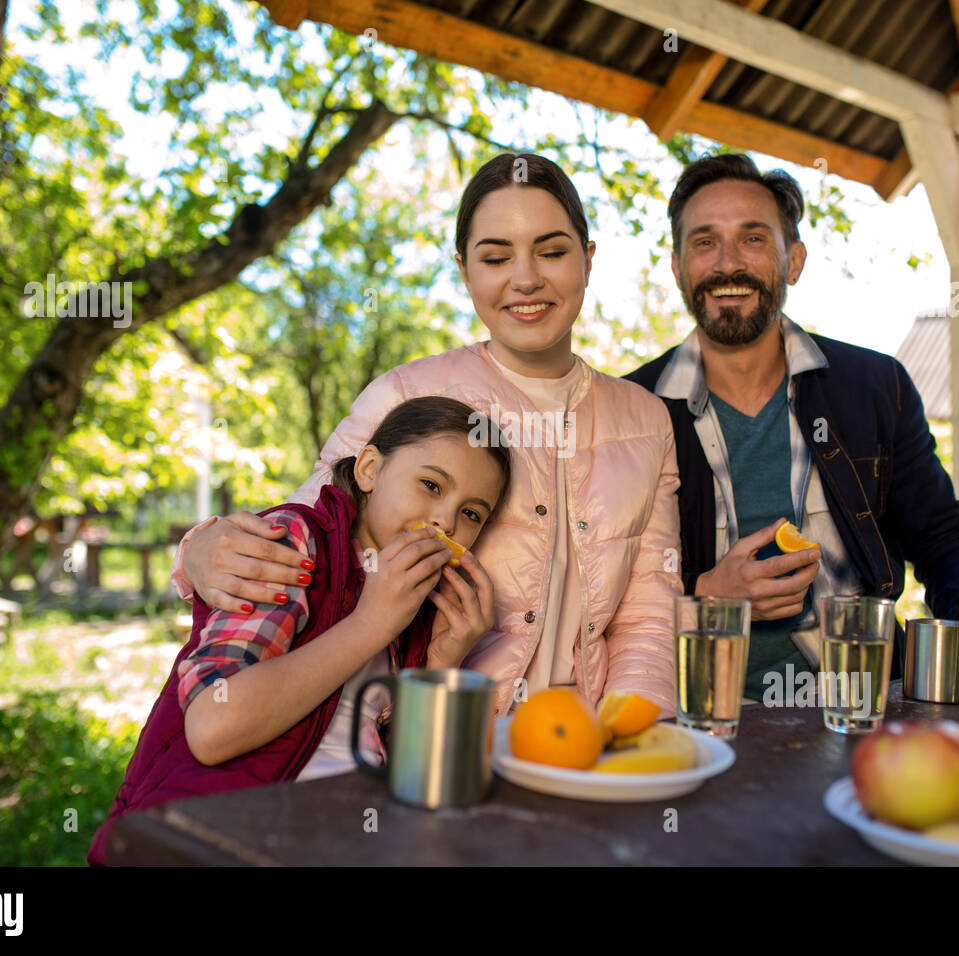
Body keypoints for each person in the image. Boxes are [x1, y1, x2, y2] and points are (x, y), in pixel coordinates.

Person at [167, 152, 682, 721]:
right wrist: (198, 549)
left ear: (587, 259)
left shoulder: (646, 419)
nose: (526, 277)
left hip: (579, 748)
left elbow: (648, 616)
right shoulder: (405, 392)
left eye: (553, 251)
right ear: (465, 271)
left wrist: (634, 735)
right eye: (495, 257)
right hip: (438, 746)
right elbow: (313, 535)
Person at [624, 152, 959, 699]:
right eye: (704, 241)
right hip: (698, 712)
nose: (728, 263)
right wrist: (703, 594)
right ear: (677, 267)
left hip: (867, 706)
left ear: (794, 262)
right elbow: (601, 590)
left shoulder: (875, 386)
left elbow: (945, 538)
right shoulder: (630, 407)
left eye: (754, 239)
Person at [87, 397, 509, 865]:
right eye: (431, 484)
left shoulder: (420, 614)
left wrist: (444, 660)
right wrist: (371, 624)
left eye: (472, 513)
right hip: (212, 840)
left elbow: (413, 785)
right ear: (369, 469)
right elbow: (213, 725)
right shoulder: (294, 543)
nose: (445, 521)